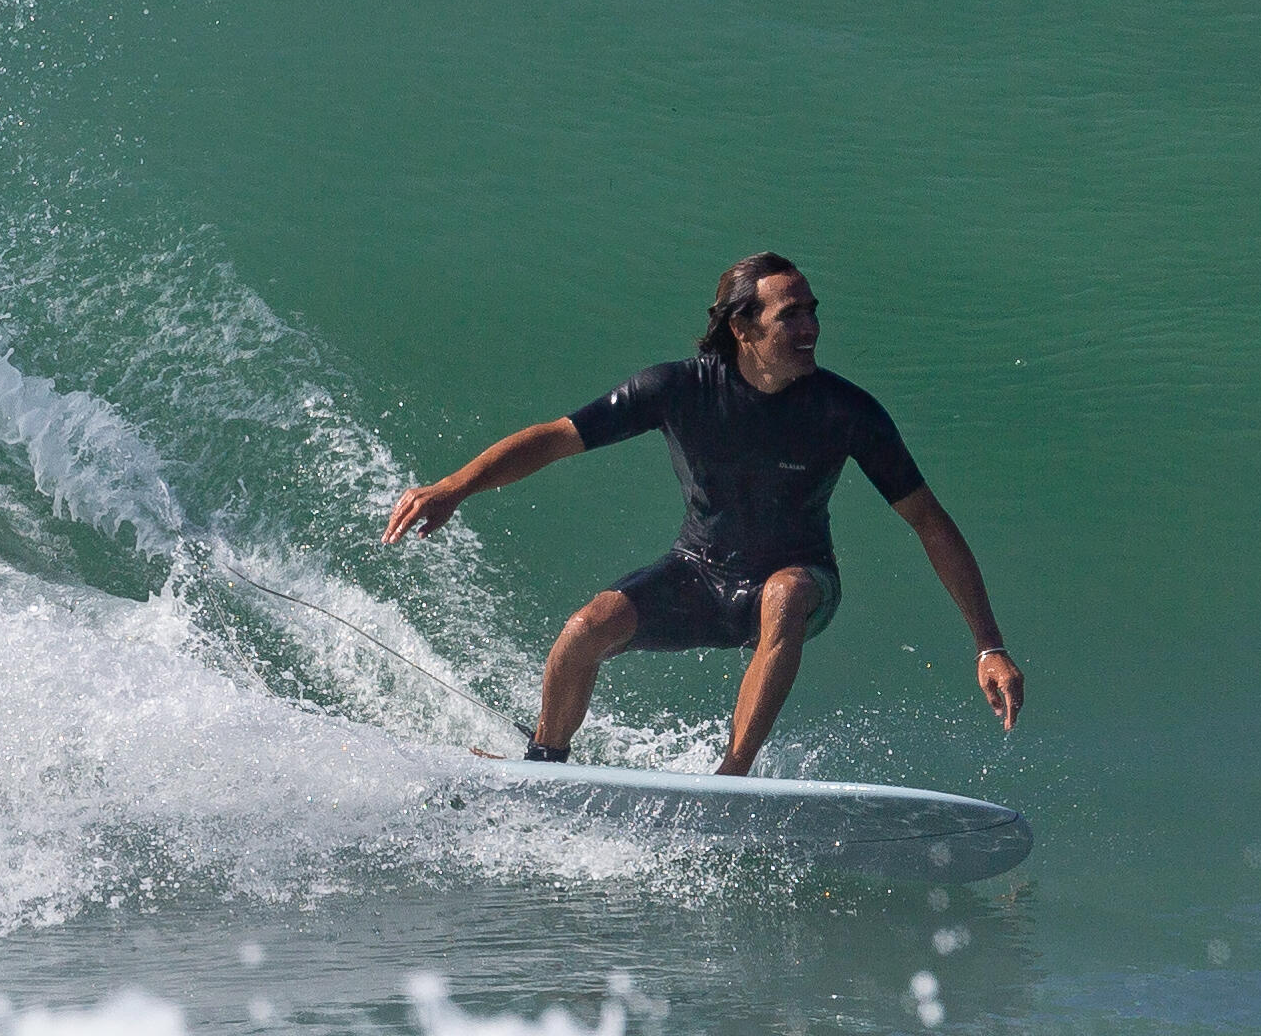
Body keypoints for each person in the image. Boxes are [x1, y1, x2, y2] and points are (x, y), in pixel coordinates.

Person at [380, 252, 1024, 775]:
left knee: (787, 591)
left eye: (812, 312)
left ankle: (731, 781)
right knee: (585, 629)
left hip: (801, 580)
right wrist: (454, 488)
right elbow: (556, 437)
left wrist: (988, 644)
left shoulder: (846, 412)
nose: (810, 328)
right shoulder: (678, 389)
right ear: (742, 327)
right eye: (790, 314)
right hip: (698, 572)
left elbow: (931, 524)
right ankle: (546, 763)